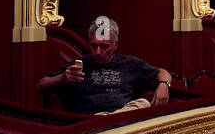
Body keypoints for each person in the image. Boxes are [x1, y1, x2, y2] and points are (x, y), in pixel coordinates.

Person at [37, 17, 171, 115]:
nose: (98, 52)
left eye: (104, 46)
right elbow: (40, 85)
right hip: (89, 122)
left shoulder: (130, 64)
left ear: (115, 45)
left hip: (121, 120)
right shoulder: (80, 64)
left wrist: (164, 85)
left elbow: (162, 72)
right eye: (93, 45)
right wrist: (63, 78)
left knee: (143, 104)